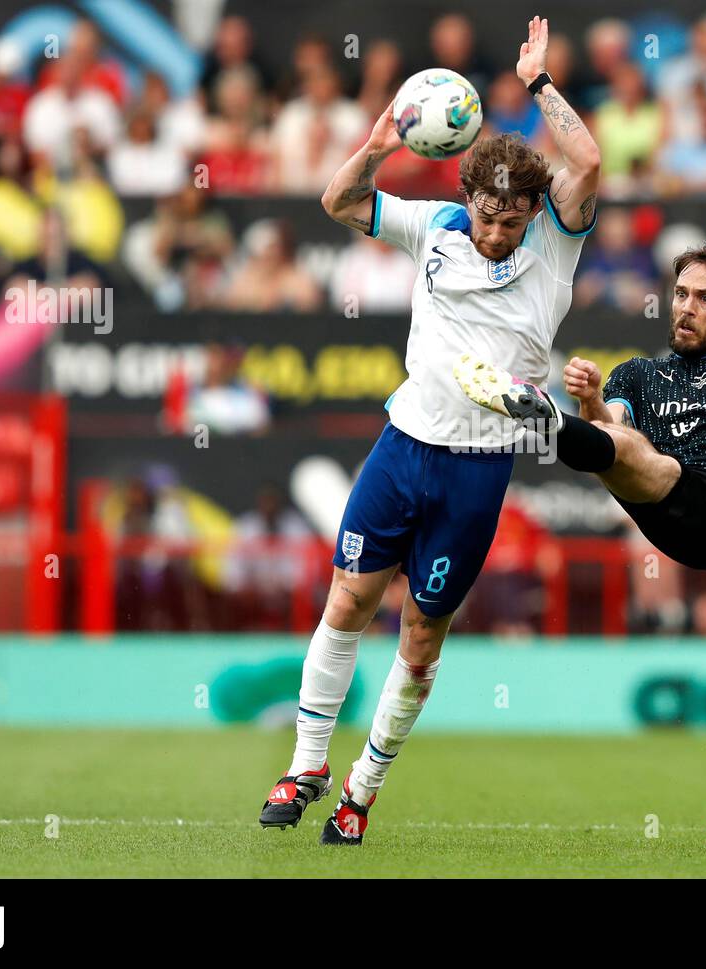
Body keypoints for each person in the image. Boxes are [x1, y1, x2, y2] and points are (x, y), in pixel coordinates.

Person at [258, 16, 600, 846]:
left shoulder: (554, 244)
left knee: (419, 638)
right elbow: (337, 201)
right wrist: (376, 145)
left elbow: (585, 162)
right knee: (349, 596)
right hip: (403, 444)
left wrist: (539, 84)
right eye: (486, 215)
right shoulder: (433, 228)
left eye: (511, 219)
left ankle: (361, 791)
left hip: (478, 470)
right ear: (467, 200)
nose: (496, 232)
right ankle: (306, 763)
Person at [456, 245, 706, 855]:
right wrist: (590, 401)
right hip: (678, 493)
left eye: (705, 298)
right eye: (681, 295)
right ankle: (547, 417)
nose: (686, 308)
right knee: (631, 452)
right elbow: (615, 424)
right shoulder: (640, 375)